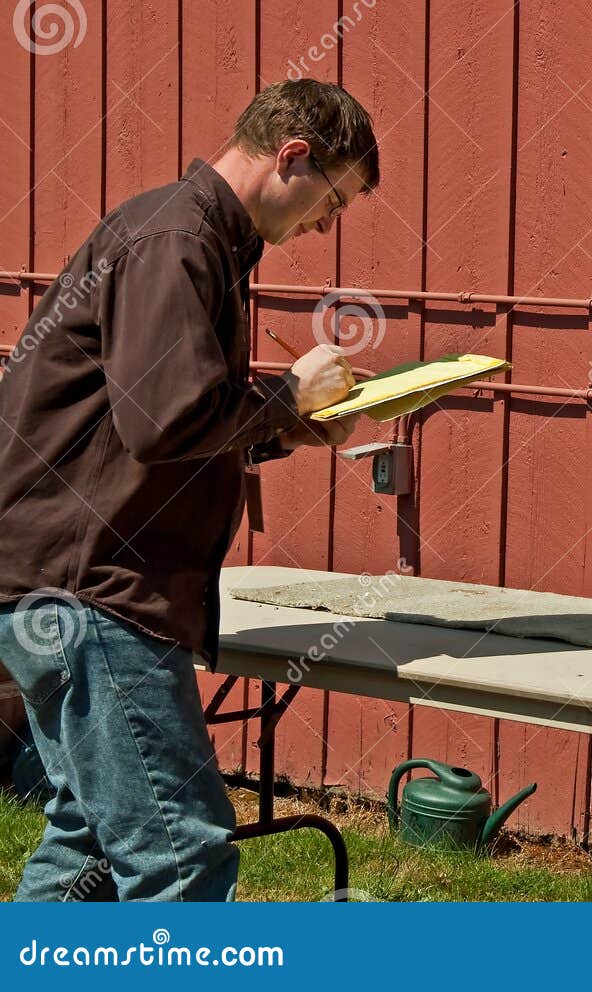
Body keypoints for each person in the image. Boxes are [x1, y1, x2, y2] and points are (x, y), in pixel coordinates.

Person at [0, 78, 378, 900]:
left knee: (87, 843)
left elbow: (145, 427)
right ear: (294, 157)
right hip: (92, 594)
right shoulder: (178, 240)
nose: (325, 226)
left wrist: (285, 426)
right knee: (181, 859)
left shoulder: (189, 236)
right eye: (334, 202)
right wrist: (285, 396)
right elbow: (161, 421)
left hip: (66, 586)